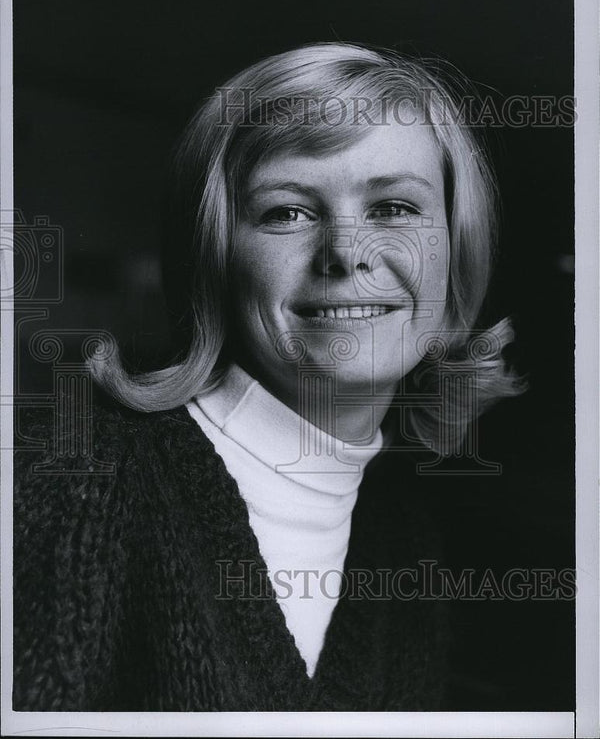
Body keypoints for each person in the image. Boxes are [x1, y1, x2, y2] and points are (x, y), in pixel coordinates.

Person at [13, 42, 524, 711]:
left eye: (394, 208)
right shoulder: (64, 480)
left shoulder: (406, 539)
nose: (347, 252)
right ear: (216, 258)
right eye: (287, 211)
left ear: (456, 258)